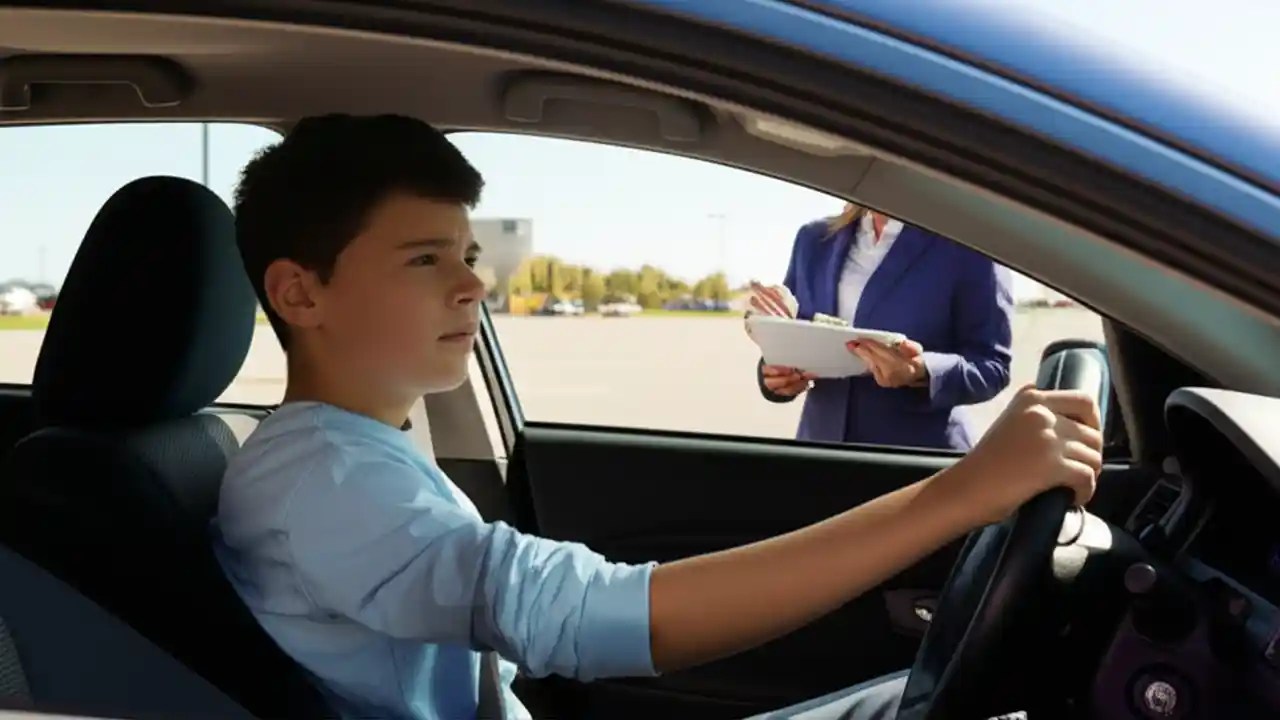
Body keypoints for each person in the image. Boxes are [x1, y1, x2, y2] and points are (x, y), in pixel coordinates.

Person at [212, 114, 1102, 720]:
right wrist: (961, 495)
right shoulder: (322, 480)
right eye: (423, 258)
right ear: (301, 293)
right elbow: (601, 617)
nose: (474, 283)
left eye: (469, 253)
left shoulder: (355, 451)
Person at [750, 205, 1014, 450]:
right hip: (821, 451)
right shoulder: (814, 240)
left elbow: (993, 368)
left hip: (918, 464)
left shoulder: (969, 245)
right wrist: (776, 375)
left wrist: (920, 371)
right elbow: (796, 339)